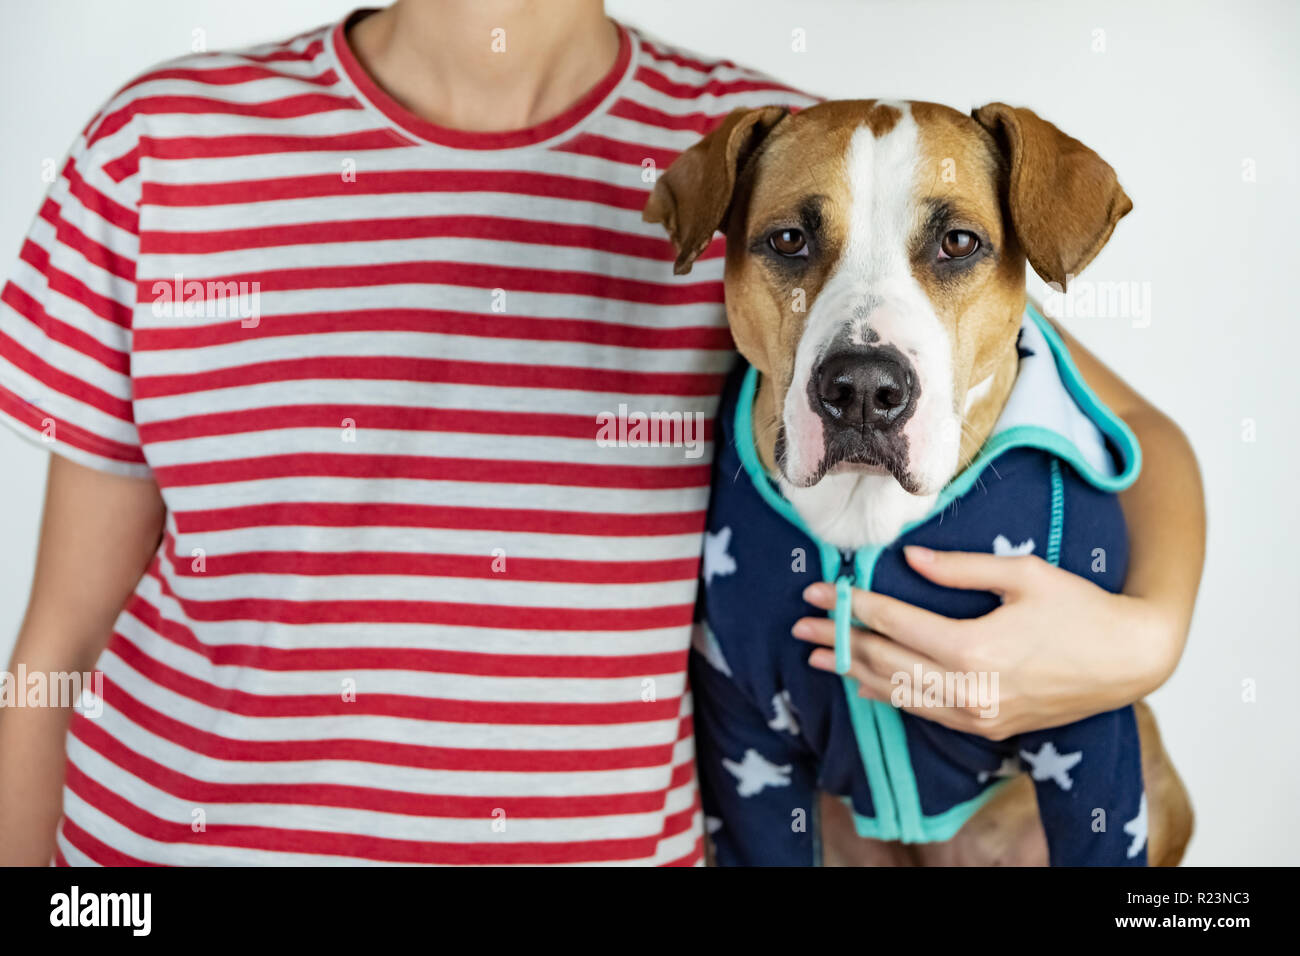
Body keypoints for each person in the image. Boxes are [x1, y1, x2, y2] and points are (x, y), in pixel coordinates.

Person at [0, 0, 1203, 865]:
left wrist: (1142, 645)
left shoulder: (778, 150)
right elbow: (62, 628)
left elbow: (1120, 421)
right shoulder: (161, 143)